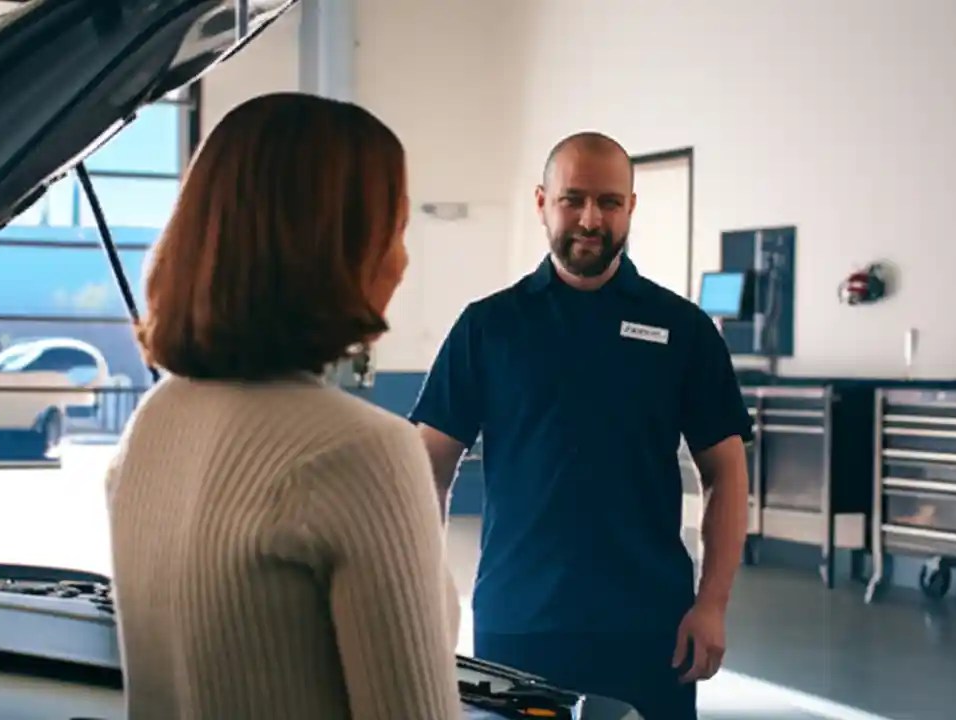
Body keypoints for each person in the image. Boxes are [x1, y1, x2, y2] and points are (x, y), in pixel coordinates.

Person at [105, 92, 462, 720]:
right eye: (396, 228)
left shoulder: (155, 420)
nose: (402, 260)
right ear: (337, 246)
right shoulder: (362, 450)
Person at [410, 131, 751, 719]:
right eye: (573, 200)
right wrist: (419, 592)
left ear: (630, 208)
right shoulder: (489, 327)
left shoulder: (682, 330)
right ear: (542, 202)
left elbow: (727, 471)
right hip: (520, 623)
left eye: (609, 202)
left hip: (652, 626)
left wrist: (712, 602)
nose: (590, 219)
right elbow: (425, 467)